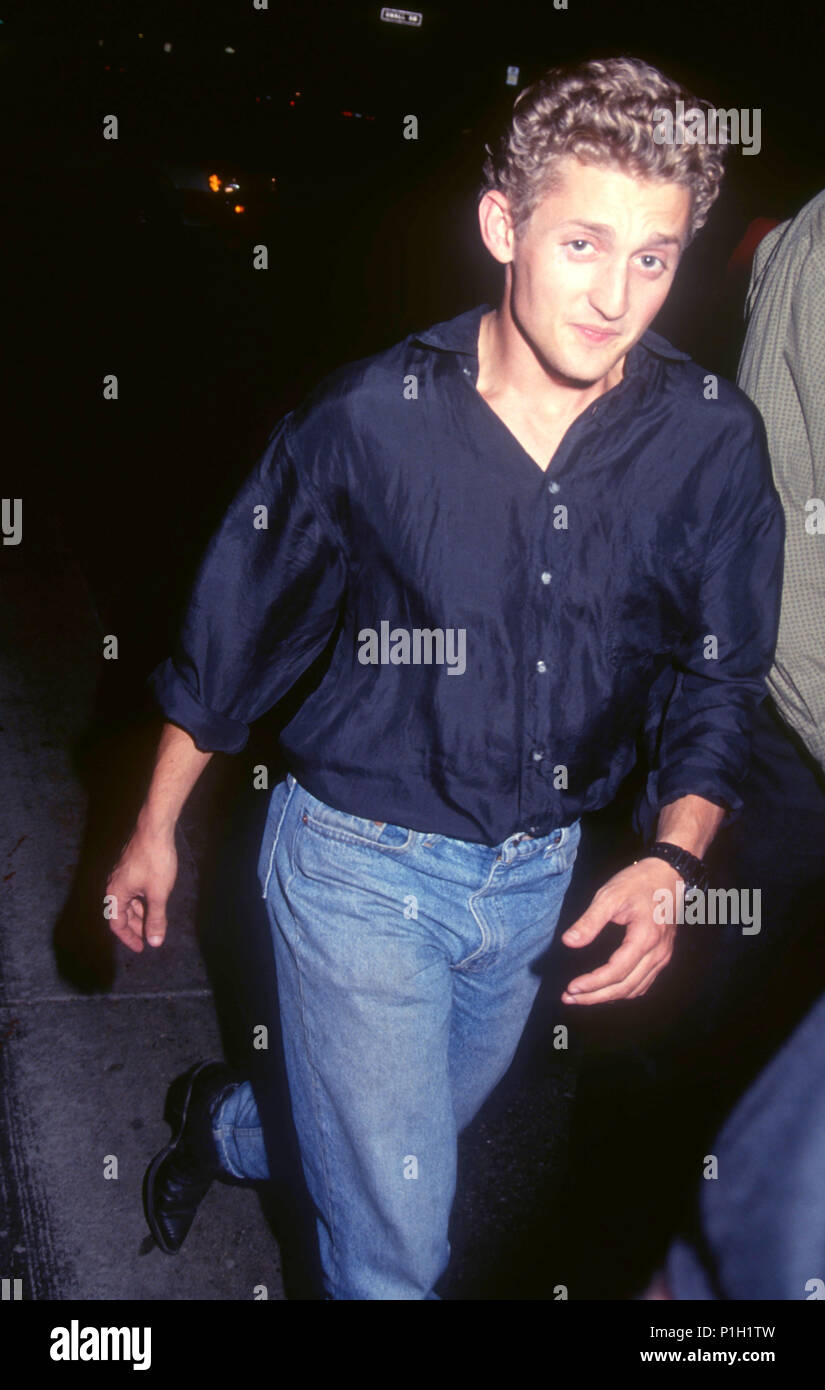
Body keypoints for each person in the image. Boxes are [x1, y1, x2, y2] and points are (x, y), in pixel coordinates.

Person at [105, 57, 785, 1301]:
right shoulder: (368, 420)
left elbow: (721, 675)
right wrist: (154, 826)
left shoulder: (710, 442)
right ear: (502, 226)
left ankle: (233, 1125)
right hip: (358, 870)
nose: (617, 296)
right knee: (396, 1247)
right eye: (583, 242)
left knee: (406, 1142)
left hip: (533, 885)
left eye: (655, 255)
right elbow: (231, 638)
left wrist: (675, 854)